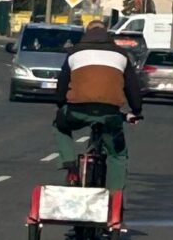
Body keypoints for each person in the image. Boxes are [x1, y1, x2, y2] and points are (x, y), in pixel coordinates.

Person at [53, 21, 143, 192]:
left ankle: (70, 164)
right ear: (107, 34)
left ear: (86, 33)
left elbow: (62, 86)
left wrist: (61, 104)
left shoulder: (74, 53)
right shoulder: (121, 54)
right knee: (117, 154)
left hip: (77, 110)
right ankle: (114, 199)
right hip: (109, 113)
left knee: (60, 126)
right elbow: (132, 87)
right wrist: (136, 110)